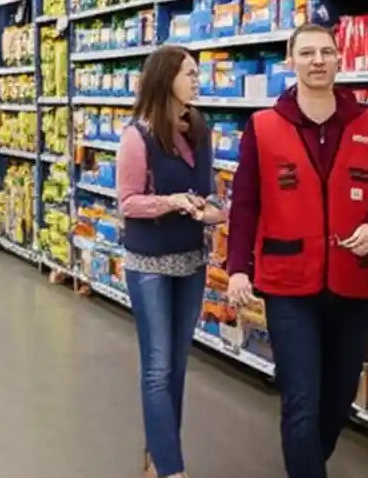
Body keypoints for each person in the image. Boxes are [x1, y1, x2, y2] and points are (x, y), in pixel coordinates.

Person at [226, 23, 368, 478]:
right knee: (301, 398)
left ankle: (307, 465)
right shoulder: (264, 127)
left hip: (352, 278)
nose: (317, 60)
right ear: (292, 61)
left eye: (326, 52)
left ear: (340, 59)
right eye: (307, 53)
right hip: (289, 283)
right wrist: (238, 268)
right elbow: (244, 204)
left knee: (338, 398)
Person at [116, 45, 226, 478]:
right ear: (166, 79)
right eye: (190, 73)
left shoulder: (200, 129)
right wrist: (171, 202)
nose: (197, 79)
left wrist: (215, 210)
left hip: (191, 262)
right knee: (159, 366)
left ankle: (156, 456)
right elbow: (128, 202)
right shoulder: (136, 135)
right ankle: (171, 469)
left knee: (177, 365)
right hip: (149, 266)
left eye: (198, 73)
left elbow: (210, 191)